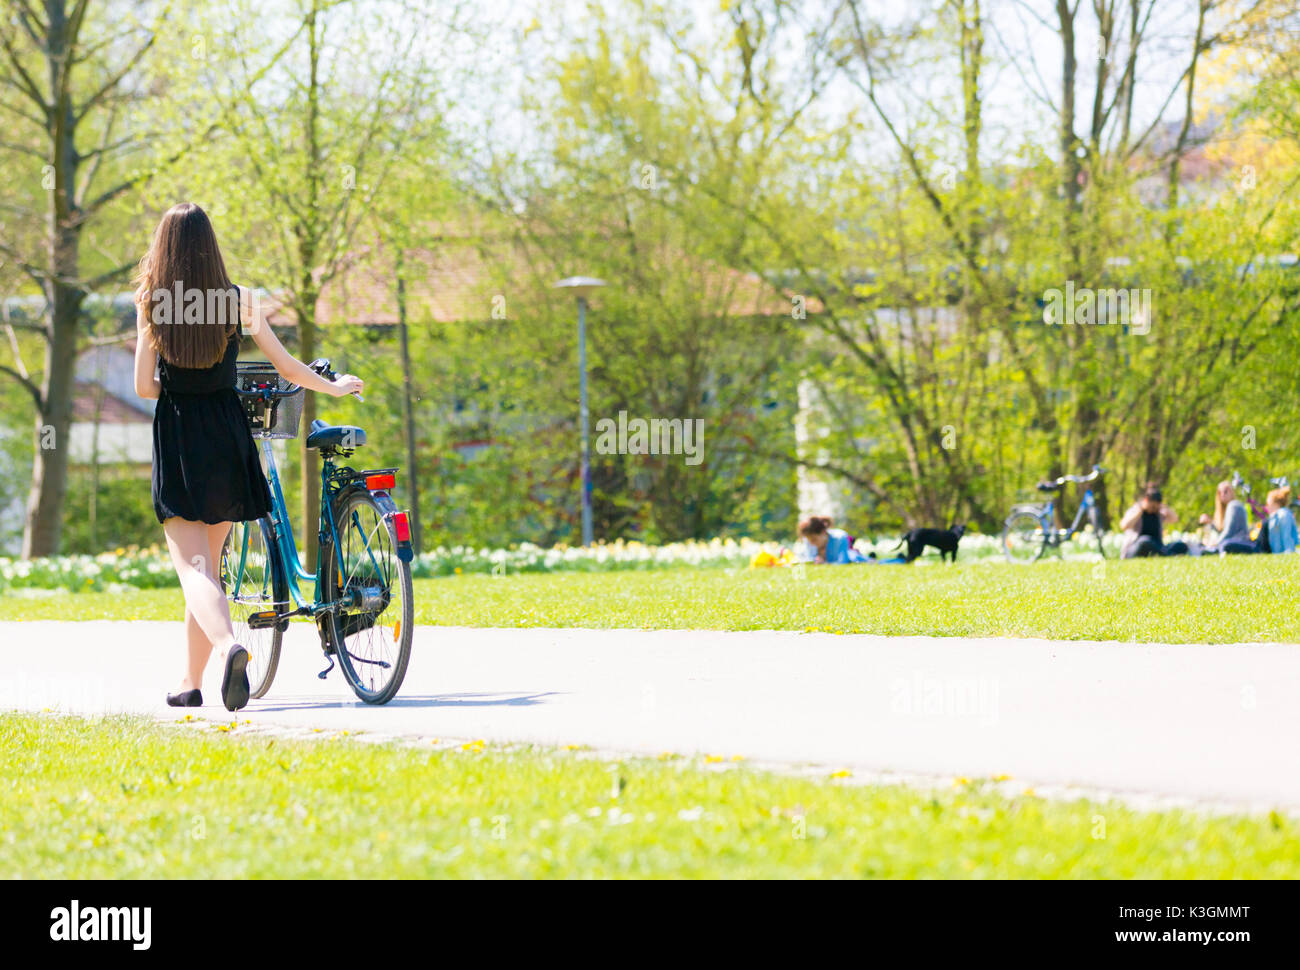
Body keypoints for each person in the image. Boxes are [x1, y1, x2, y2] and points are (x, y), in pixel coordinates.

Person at [133, 202, 363, 711]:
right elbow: (286, 366)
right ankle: (190, 684)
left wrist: (176, 376)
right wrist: (335, 385)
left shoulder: (152, 301)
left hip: (178, 435)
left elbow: (143, 387)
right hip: (227, 434)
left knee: (194, 571)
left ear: (163, 249)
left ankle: (227, 646)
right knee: (207, 568)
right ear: (211, 248)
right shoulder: (241, 302)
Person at [1119, 483, 1189, 558]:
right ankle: (1167, 555)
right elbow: (1123, 526)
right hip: (1136, 548)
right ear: (1146, 500)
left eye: (1156, 506)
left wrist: (1164, 507)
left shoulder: (1158, 514)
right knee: (1145, 541)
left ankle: (1164, 554)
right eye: (1152, 506)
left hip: (1157, 547)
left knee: (1180, 545)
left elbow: (1175, 519)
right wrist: (1140, 511)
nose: (1153, 509)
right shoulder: (1135, 510)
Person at [1199, 480, 1255, 554]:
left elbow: (1229, 532)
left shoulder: (1234, 505)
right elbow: (1222, 531)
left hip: (1239, 542)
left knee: (1224, 545)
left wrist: (1215, 543)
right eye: (1219, 492)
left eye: (1225, 491)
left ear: (1232, 492)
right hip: (1233, 542)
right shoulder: (1227, 508)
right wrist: (1211, 523)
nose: (1222, 494)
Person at [1265, 487, 1297, 553]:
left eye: (1268, 504)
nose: (1266, 507)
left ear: (1276, 504)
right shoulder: (1275, 516)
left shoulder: (1283, 515)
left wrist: (1288, 551)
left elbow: (1287, 537)